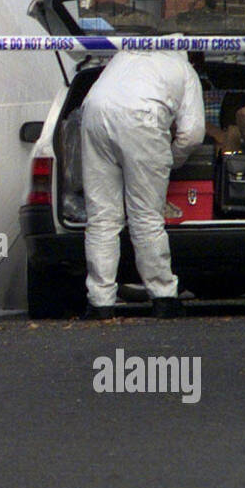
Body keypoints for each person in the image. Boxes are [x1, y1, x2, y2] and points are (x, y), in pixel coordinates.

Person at [79, 46, 205, 320]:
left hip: (94, 113)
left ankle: (100, 303)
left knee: (101, 217)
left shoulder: (125, 54)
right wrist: (171, 160)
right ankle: (163, 297)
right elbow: (193, 134)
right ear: (195, 55)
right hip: (142, 119)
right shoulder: (185, 70)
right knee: (146, 217)